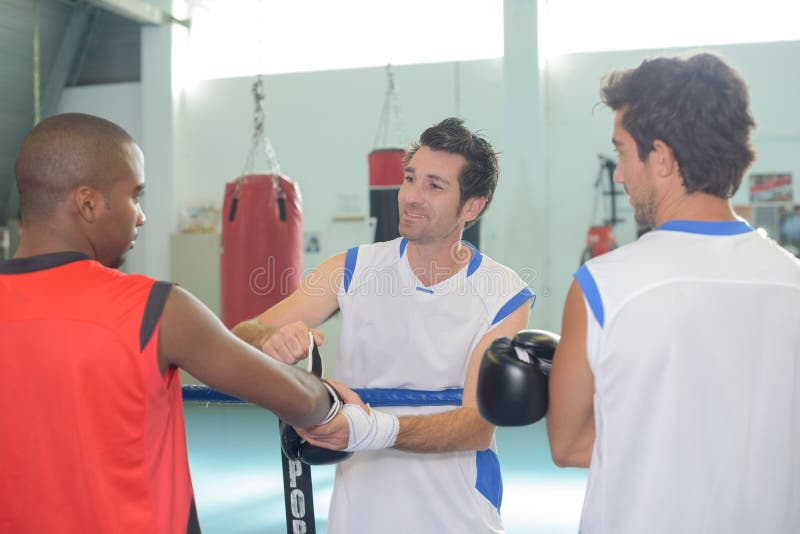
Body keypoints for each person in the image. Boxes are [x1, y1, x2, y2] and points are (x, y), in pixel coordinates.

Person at [0, 113, 340, 534]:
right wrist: (330, 397)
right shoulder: (155, 309)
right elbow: (300, 400)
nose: (141, 217)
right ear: (88, 203)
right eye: (134, 196)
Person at [233, 117, 534, 533]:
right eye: (410, 178)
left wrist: (367, 430)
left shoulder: (504, 294)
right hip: (361, 516)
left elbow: (476, 426)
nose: (411, 196)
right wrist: (273, 341)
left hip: (459, 516)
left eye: (434, 186)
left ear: (472, 206)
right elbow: (241, 338)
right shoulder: (350, 269)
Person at [547, 53, 800, 533]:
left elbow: (570, 444)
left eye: (622, 152)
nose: (619, 174)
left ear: (660, 157)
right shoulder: (793, 281)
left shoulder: (602, 287)